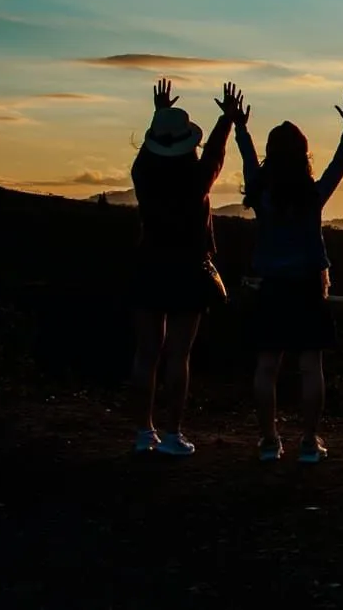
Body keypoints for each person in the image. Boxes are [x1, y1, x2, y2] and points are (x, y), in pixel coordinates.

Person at [235, 89, 343, 464]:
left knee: (267, 365)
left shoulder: (260, 191)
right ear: (303, 154)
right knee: (310, 366)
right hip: (308, 286)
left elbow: (246, 158)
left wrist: (240, 127)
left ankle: (269, 440)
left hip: (271, 286)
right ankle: (309, 441)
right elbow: (339, 164)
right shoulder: (311, 194)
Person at [129, 79, 238, 456]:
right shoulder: (196, 179)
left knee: (146, 353)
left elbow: (151, 151)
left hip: (149, 263)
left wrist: (159, 113)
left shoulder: (142, 174)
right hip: (188, 268)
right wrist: (227, 118)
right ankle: (173, 433)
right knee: (178, 354)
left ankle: (144, 431)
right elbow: (217, 155)